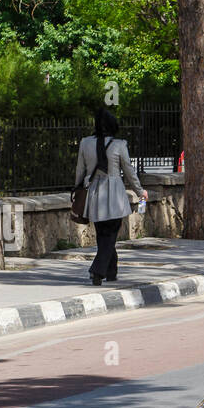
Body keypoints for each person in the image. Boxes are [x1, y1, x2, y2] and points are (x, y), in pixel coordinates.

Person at [75, 108, 146, 285]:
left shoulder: (85, 143)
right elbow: (129, 171)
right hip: (114, 194)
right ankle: (97, 271)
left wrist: (77, 189)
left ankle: (111, 271)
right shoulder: (119, 144)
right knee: (110, 235)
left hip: (94, 193)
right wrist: (140, 191)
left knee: (103, 235)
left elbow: (80, 170)